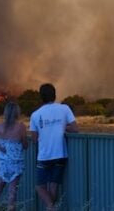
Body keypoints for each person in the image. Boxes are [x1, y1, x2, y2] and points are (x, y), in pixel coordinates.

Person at [29, 83, 78, 211]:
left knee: (40, 186)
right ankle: (51, 207)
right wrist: (61, 127)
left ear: (41, 97)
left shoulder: (35, 115)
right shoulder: (65, 108)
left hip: (44, 156)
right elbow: (75, 128)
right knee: (54, 186)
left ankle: (51, 206)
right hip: (61, 155)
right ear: (55, 95)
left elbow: (34, 139)